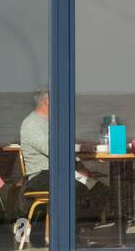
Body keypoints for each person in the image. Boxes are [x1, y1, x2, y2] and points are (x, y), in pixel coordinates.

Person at [18, 89, 105, 219]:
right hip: (42, 174)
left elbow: (65, 148)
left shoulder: (54, 123)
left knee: (101, 190)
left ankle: (83, 226)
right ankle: (72, 231)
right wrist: (77, 157)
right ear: (48, 102)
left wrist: (79, 167)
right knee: (75, 188)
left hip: (62, 171)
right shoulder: (31, 124)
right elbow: (55, 150)